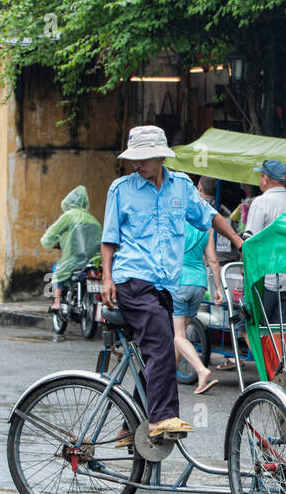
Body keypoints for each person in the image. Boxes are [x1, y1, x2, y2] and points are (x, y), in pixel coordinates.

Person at [100, 125, 243, 440]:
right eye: (134, 159)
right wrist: (106, 278)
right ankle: (161, 420)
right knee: (164, 345)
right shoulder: (121, 189)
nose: (137, 165)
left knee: (157, 353)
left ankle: (130, 425)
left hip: (165, 285)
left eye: (145, 159)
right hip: (132, 281)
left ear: (160, 157)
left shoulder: (181, 188)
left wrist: (238, 240)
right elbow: (109, 238)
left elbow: (209, 218)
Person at [171, 175, 225, 395]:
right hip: (199, 284)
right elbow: (213, 260)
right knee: (181, 332)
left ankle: (202, 370)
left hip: (179, 281)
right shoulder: (206, 226)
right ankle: (167, 378)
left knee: (178, 335)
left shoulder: (178, 220)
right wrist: (218, 290)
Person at [243, 159, 286, 324]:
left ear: (266, 178)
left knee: (249, 329)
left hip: (264, 279)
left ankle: (258, 352)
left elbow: (249, 241)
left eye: (261, 176)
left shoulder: (261, 202)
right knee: (279, 334)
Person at [40, 185, 101, 315]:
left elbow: (51, 234)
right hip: (92, 262)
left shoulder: (70, 216)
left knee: (58, 270)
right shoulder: (93, 220)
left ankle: (56, 302)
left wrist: (48, 242)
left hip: (74, 259)